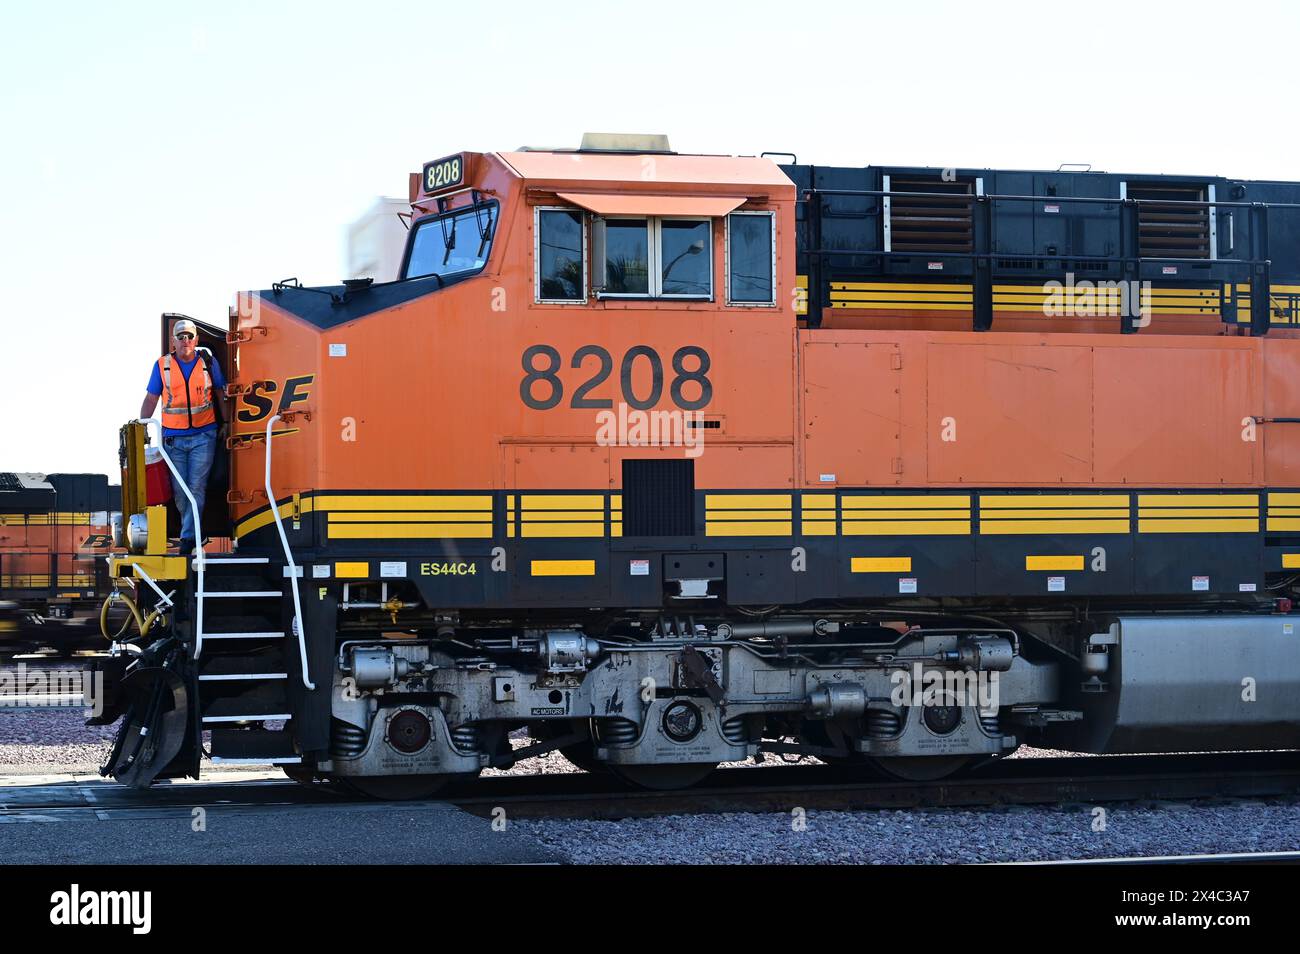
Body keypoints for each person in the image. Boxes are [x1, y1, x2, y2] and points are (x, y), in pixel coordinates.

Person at [139, 320, 229, 555]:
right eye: (181, 336)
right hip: (173, 440)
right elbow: (151, 398)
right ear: (173, 341)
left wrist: (228, 422)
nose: (185, 340)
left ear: (196, 340)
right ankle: (196, 531)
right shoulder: (162, 366)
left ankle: (188, 539)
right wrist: (142, 426)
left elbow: (220, 392)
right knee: (180, 492)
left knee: (195, 487)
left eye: (189, 336)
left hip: (203, 436)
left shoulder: (208, 363)